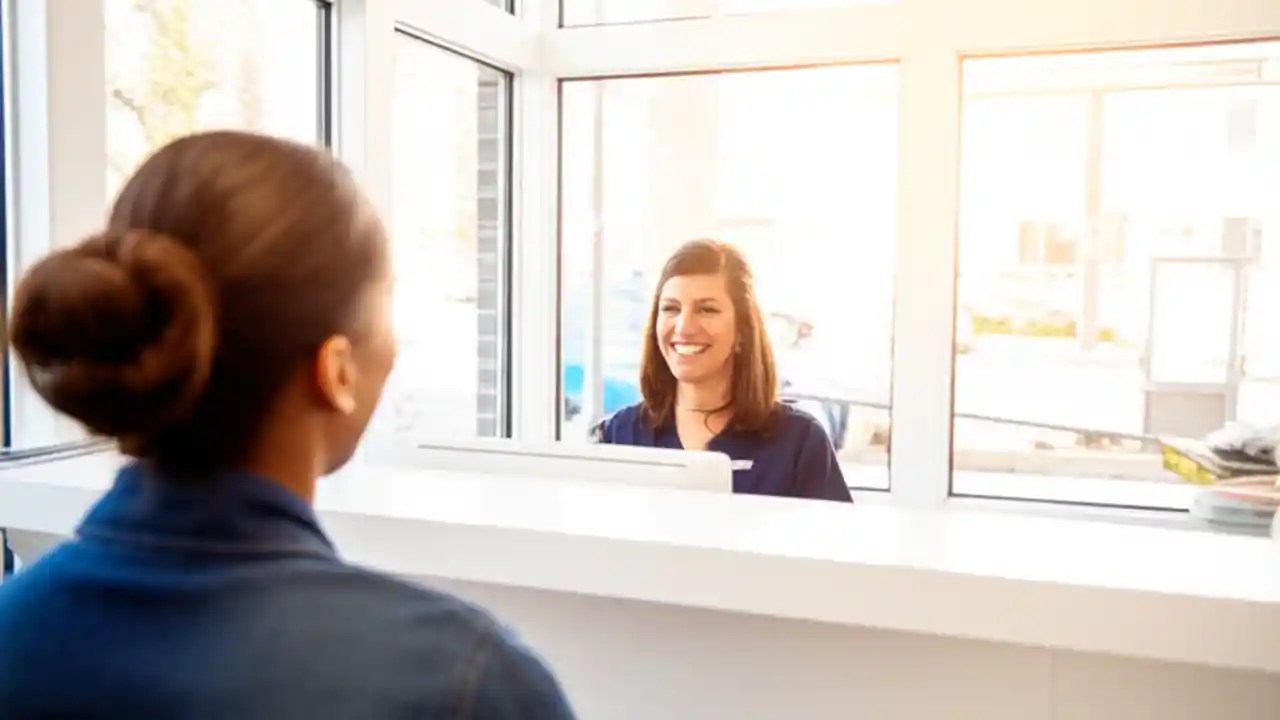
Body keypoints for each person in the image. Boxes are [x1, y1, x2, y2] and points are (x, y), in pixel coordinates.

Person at [0, 131, 575, 719]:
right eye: (387, 308)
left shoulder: (12, 631)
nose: (396, 349)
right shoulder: (466, 686)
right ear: (336, 368)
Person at [592, 239, 852, 503]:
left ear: (742, 331)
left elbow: (836, 542)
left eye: (707, 309)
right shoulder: (619, 435)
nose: (683, 327)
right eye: (671, 309)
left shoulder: (799, 443)